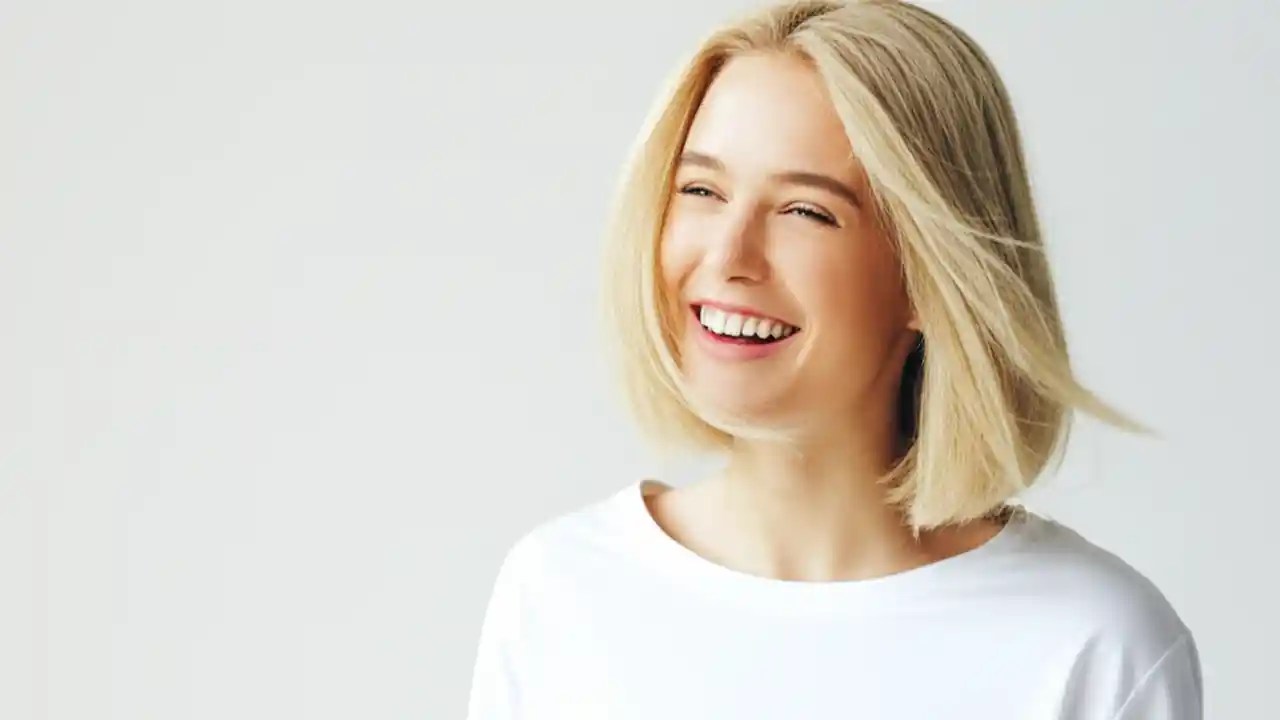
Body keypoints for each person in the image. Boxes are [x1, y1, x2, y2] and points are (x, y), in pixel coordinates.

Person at [465, 1, 1203, 717]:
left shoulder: (1093, 646)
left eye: (805, 211)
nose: (728, 256)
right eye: (701, 190)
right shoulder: (560, 593)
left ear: (930, 275)